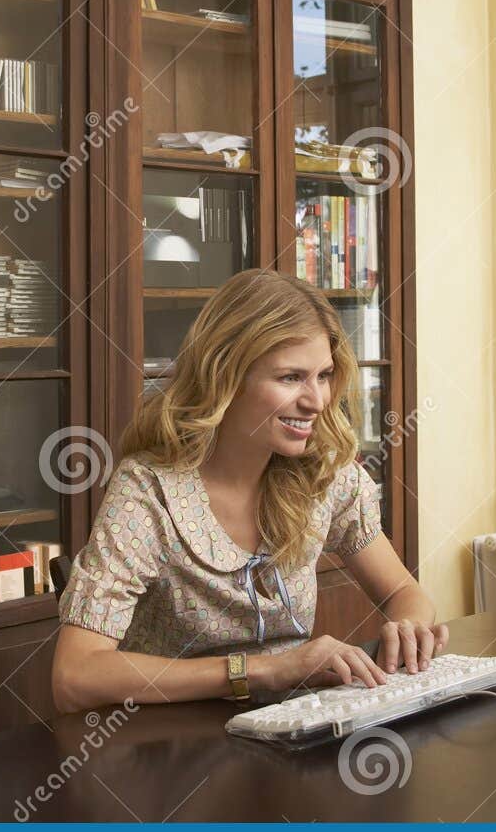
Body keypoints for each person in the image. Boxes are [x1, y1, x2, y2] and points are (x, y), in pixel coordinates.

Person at [51, 268, 448, 712]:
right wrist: (263, 670)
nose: (316, 401)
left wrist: (408, 626)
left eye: (324, 375)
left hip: (291, 731)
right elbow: (75, 676)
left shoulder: (326, 473)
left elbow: (402, 593)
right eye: (290, 377)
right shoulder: (147, 492)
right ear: (226, 376)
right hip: (173, 748)